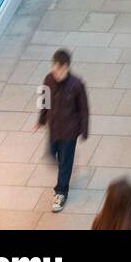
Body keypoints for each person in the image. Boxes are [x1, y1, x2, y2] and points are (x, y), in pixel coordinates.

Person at [36, 48, 89, 213]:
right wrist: (41, 119)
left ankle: (61, 192)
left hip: (69, 132)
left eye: (59, 69)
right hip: (53, 128)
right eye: (54, 68)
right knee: (51, 155)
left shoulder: (77, 84)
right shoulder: (48, 79)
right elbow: (44, 101)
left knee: (65, 162)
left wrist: (84, 130)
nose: (56, 72)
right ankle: (66, 166)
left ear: (67, 68)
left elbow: (84, 109)